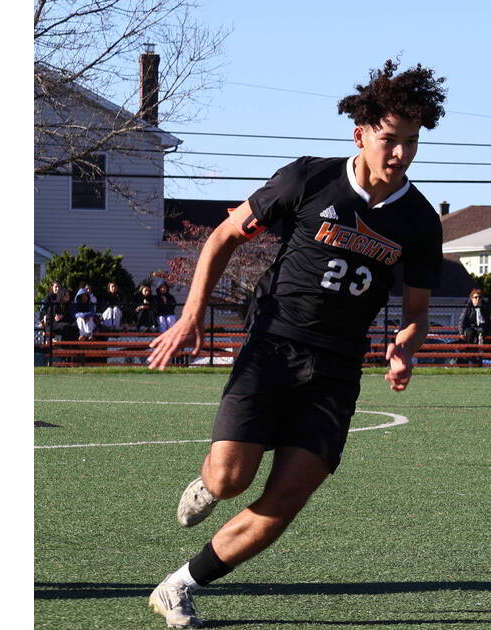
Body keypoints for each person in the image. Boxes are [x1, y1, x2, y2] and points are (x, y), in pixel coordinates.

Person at [142, 59, 447, 629]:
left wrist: (407, 346)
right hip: (274, 346)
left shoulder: (421, 221)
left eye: (411, 142)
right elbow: (223, 235)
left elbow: (419, 312)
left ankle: (178, 586)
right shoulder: (308, 179)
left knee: (284, 502)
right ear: (361, 134)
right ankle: (210, 483)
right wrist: (190, 317)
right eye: (389, 140)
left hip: (336, 369)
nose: (400, 154)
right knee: (232, 479)